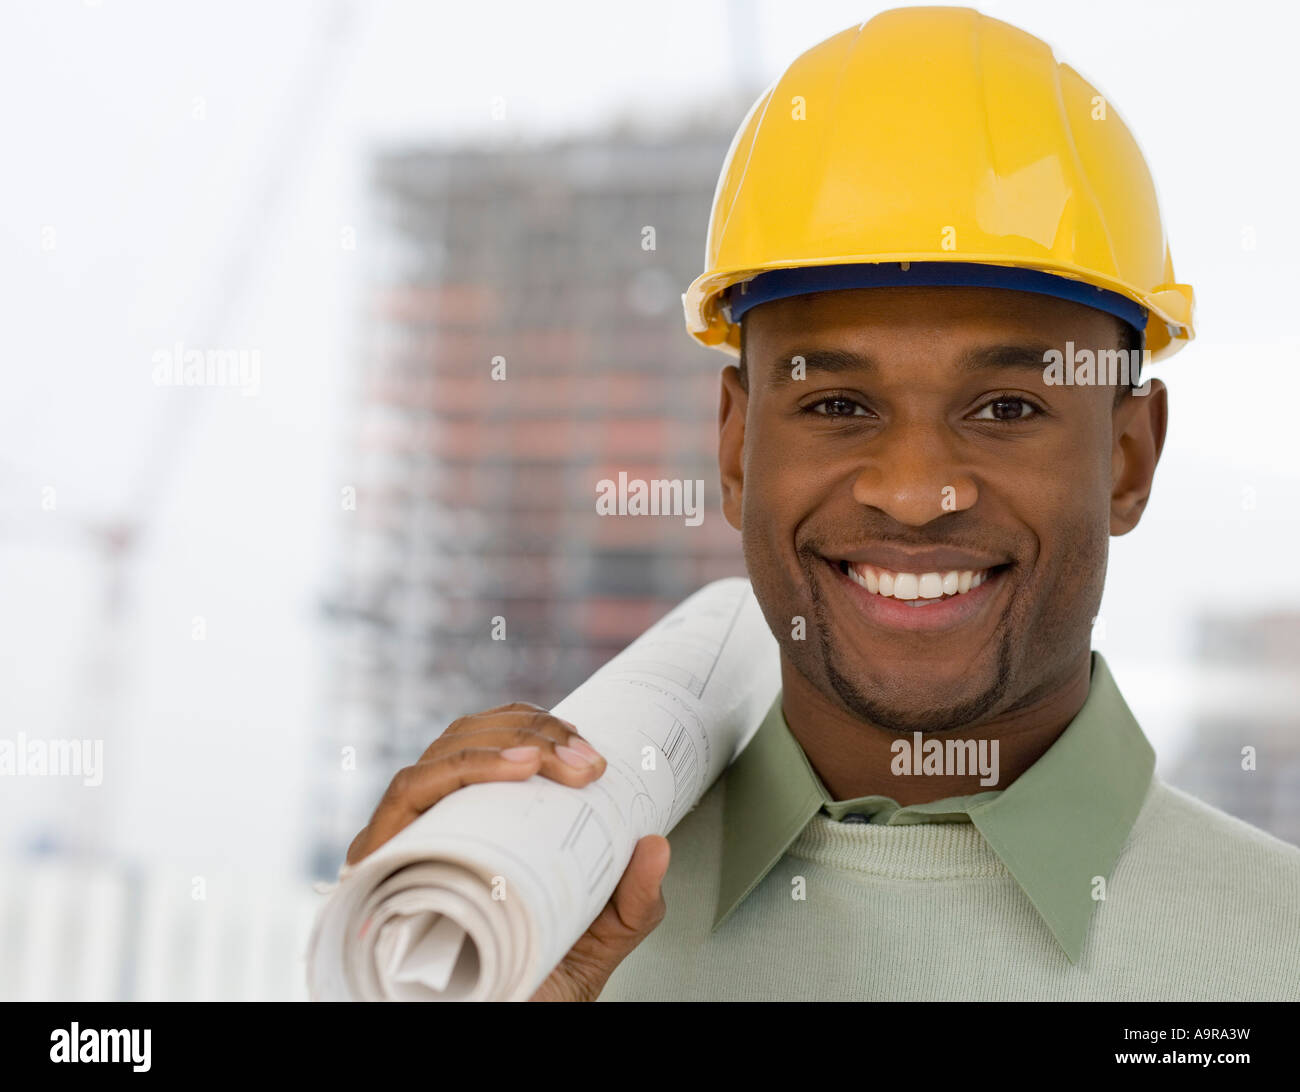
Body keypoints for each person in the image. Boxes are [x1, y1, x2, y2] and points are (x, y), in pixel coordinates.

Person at [345, 7, 1300, 1000]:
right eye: (837, 404)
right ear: (736, 446)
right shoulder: (525, 924)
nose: (914, 495)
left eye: (1007, 406)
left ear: (1128, 459)